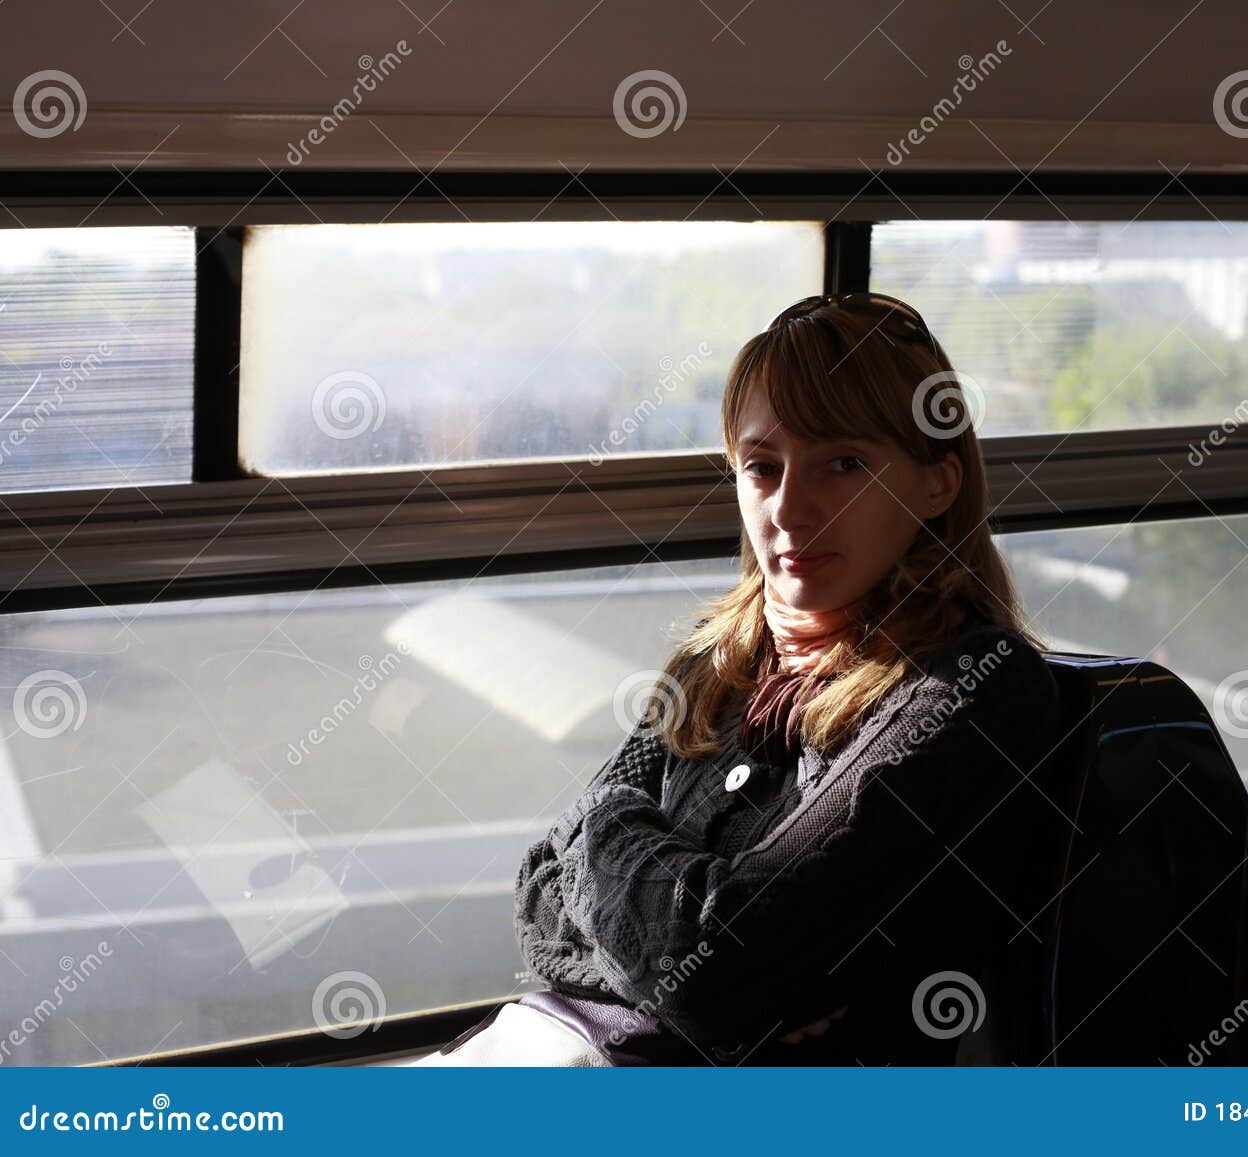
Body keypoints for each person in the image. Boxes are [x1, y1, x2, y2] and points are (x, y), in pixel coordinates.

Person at [410, 292, 1061, 1066]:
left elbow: (723, 973)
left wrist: (604, 839)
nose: (791, 507)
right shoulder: (718, 657)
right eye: (762, 466)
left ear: (938, 483)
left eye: (844, 463)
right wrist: (680, 951)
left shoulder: (972, 691)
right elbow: (537, 900)